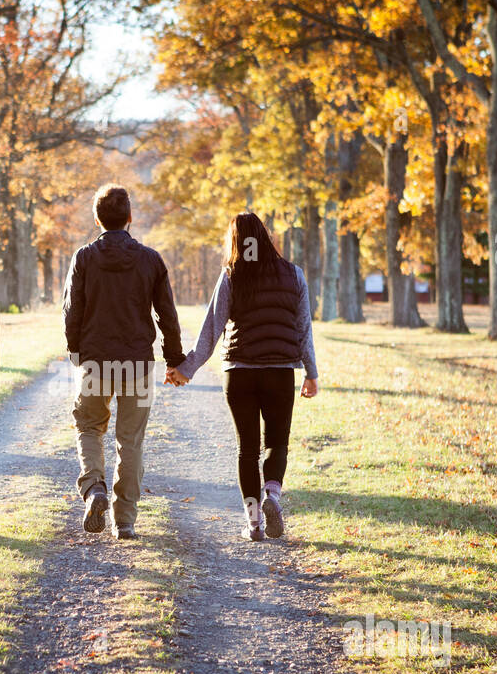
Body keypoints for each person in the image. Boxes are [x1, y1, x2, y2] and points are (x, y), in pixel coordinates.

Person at [166, 211, 318, 541]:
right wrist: (311, 373)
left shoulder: (233, 275)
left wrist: (185, 370)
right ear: (265, 237)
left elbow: (212, 328)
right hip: (280, 373)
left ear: (236, 241)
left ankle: (253, 522)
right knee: (277, 443)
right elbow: (303, 329)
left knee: (247, 448)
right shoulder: (294, 275)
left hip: (240, 374)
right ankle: (272, 496)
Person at [64, 184, 184, 539]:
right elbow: (166, 314)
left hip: (95, 360)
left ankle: (94, 489)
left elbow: (73, 310)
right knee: (129, 441)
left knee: (88, 427)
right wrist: (174, 358)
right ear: (130, 218)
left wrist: (75, 351)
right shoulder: (150, 259)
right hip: (137, 364)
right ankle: (125, 521)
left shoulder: (84, 257)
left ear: (97, 218)